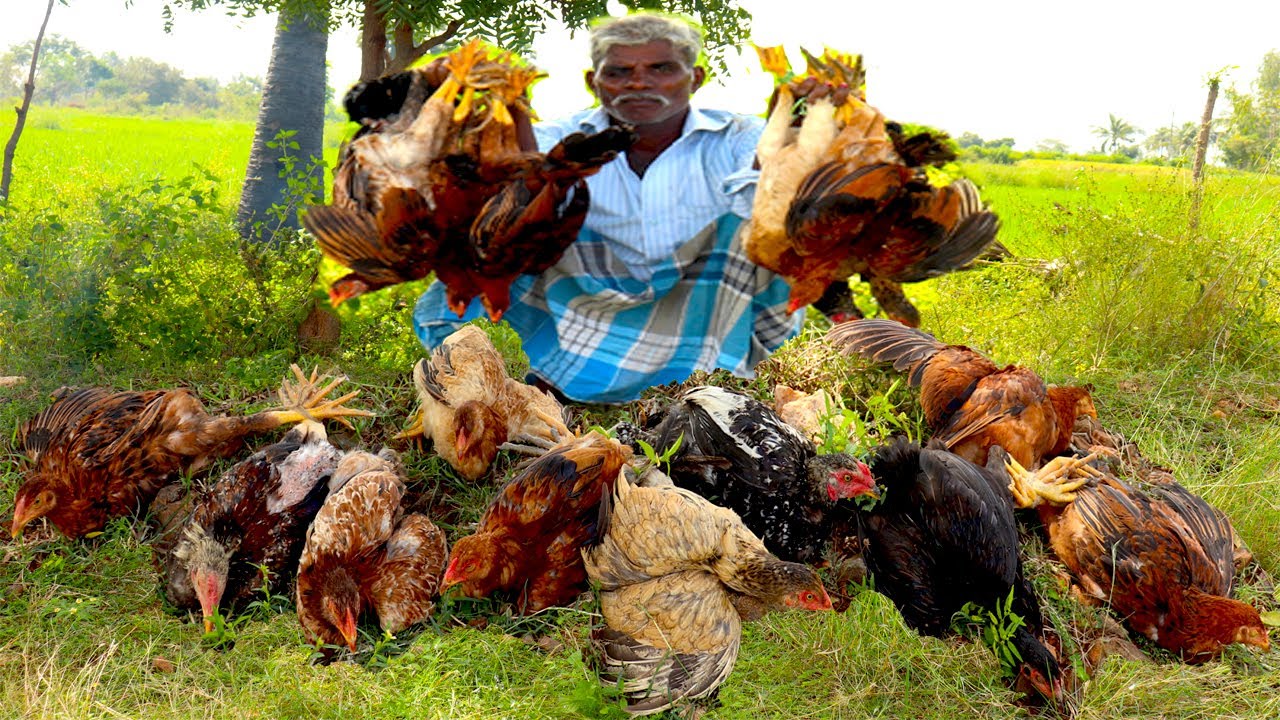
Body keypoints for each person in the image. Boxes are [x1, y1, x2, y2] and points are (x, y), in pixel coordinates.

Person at [413, 13, 806, 403]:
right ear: (593, 82)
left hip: (704, 317)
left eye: (661, 68)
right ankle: (545, 377)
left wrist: (794, 118)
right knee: (511, 227)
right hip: (583, 315)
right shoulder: (557, 139)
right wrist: (476, 98)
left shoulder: (738, 137)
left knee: (765, 224)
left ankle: (724, 375)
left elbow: (768, 203)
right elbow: (509, 186)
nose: (638, 82)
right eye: (619, 72)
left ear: (696, 78)